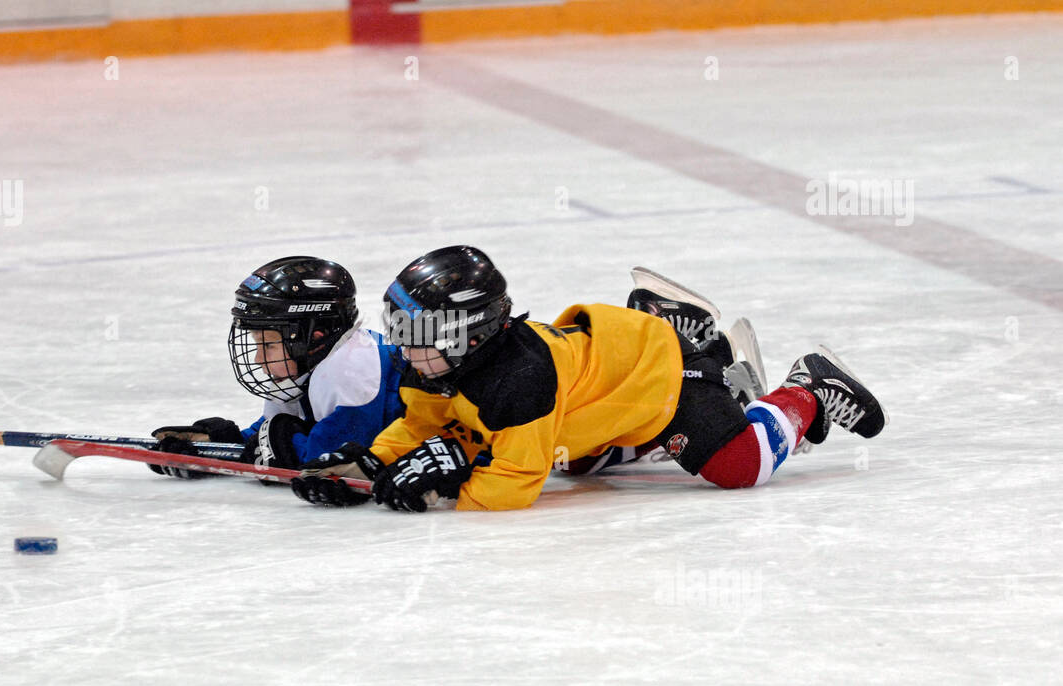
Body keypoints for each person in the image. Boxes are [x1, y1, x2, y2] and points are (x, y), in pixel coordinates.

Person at [291, 245, 886, 512]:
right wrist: (371, 462)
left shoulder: (519, 382)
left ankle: (807, 387)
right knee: (577, 466)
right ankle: (673, 322)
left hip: (653, 374)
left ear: (468, 333)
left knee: (739, 467)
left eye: (415, 333)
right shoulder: (435, 364)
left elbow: (513, 487)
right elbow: (420, 426)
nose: (401, 346)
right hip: (595, 393)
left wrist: (442, 489)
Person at [149, 256, 405, 478]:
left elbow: (332, 459)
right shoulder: (311, 362)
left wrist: (275, 445)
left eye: (268, 345)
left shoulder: (352, 366)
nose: (259, 359)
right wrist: (222, 446)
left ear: (312, 338)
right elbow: (279, 429)